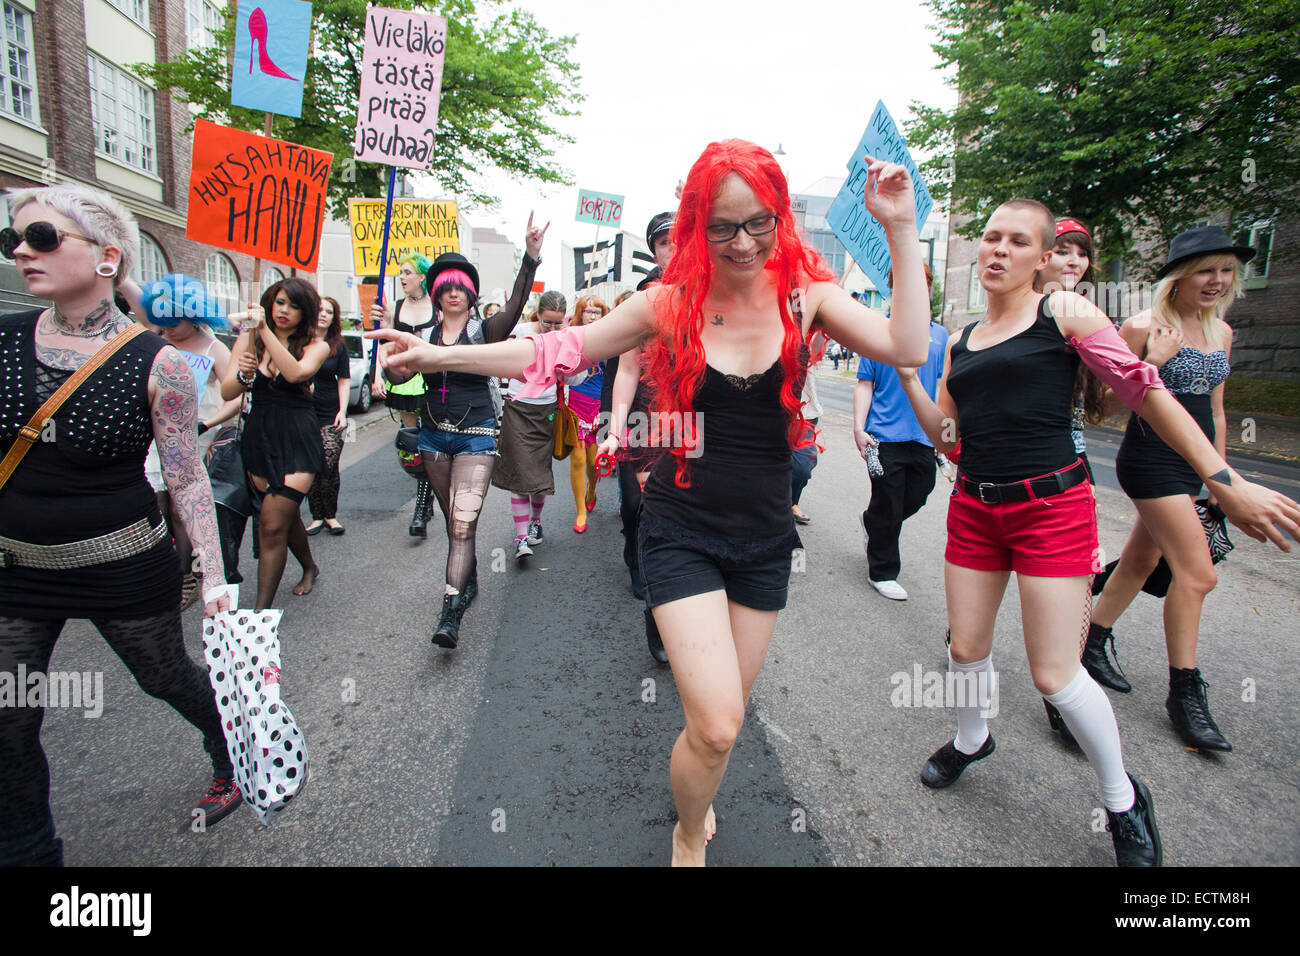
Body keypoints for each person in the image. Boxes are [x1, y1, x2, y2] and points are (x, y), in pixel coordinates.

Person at [371, 139, 934, 865]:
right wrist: (442, 356)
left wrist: (900, 226)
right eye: (722, 226)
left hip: (764, 541)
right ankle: (684, 836)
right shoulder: (670, 303)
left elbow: (908, 345)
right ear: (699, 228)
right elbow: (556, 351)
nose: (742, 242)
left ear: (780, 219)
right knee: (721, 725)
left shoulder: (807, 297)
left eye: (758, 222)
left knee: (716, 720)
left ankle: (699, 798)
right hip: (680, 531)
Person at [893, 199, 1299, 866]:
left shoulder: (1064, 314)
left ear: (1043, 257)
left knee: (1055, 675)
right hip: (975, 507)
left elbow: (1145, 391)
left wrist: (1224, 482)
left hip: (1052, 509)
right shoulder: (962, 340)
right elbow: (950, 439)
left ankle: (1122, 800)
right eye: (990, 237)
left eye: (1017, 241)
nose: (997, 250)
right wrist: (910, 375)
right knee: (966, 647)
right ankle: (971, 740)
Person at [0, 183, 242, 865]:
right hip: (17, 570)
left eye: (43, 237)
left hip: (122, 562)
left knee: (166, 677)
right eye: (13, 239)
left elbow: (187, 473)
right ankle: (29, 852)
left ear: (107, 257)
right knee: (8, 723)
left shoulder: (159, 363)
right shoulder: (4, 340)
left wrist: (215, 578)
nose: (22, 249)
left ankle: (226, 743)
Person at [1088, 226, 1257, 752]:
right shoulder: (1143, 325)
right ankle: (1184, 693)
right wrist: (1150, 363)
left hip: (1195, 466)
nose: (1217, 280)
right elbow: (1103, 405)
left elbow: (1218, 411)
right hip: (1151, 458)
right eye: (1206, 269)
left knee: (1139, 563)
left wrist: (1219, 477)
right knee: (1197, 575)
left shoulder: (1222, 332)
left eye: (1227, 270)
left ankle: (1089, 642)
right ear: (1179, 276)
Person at [377, 217, 546, 646]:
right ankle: (467, 582)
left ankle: (450, 611)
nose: (454, 291)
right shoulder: (421, 336)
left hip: (477, 436)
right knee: (455, 521)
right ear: (437, 293)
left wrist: (529, 256)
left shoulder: (485, 332)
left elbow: (515, 304)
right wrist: (390, 367)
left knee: (462, 526)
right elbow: (402, 383)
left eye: (461, 285)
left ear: (470, 294)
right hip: (433, 438)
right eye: (446, 285)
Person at [131, 274, 242, 608]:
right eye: (162, 322)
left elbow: (235, 397)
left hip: (198, 433)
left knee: (184, 508)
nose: (169, 329)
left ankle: (187, 578)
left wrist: (207, 423)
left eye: (174, 321)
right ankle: (161, 573)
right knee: (157, 505)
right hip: (155, 431)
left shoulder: (214, 347)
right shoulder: (155, 340)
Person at [221, 278, 330, 611]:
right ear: (270, 301)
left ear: (305, 312)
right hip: (260, 436)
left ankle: (259, 615)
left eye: (294, 306)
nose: (285, 311)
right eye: (280, 302)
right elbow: (226, 393)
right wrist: (243, 375)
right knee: (283, 515)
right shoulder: (248, 341)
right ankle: (310, 566)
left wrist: (264, 330)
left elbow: (296, 374)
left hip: (297, 438)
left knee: (270, 525)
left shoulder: (316, 345)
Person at [854, 263, 948, 601]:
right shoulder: (878, 331)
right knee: (890, 502)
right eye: (904, 282)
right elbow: (865, 384)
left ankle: (873, 523)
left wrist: (944, 436)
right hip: (882, 436)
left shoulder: (940, 335)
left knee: (918, 494)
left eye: (920, 282)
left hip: (923, 437)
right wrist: (858, 428)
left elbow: (943, 387)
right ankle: (882, 571)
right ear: (893, 288)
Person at [493, 291, 588, 560]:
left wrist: (569, 365)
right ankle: (521, 536)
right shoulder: (521, 332)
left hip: (548, 412)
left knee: (537, 476)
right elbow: (503, 364)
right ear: (538, 315)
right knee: (520, 476)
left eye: (559, 323)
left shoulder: (568, 337)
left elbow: (576, 381)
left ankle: (535, 521)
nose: (554, 329)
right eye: (549, 323)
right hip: (518, 408)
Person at [370, 255, 436, 537]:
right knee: (412, 444)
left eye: (407, 272)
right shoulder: (393, 308)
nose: (402, 277)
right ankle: (424, 500)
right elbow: (382, 344)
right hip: (405, 381)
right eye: (400, 272)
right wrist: (376, 376)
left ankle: (421, 507)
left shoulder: (438, 304)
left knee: (430, 441)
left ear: (422, 276)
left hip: (433, 380)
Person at [306, 295, 350, 536]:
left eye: (329, 311)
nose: (324, 314)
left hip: (331, 412)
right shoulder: (300, 342)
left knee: (329, 464)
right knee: (312, 465)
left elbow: (344, 380)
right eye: (320, 309)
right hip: (303, 411)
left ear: (334, 318)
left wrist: (343, 412)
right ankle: (316, 516)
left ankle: (331, 516)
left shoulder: (338, 346)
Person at [567, 295, 609, 532]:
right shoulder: (571, 337)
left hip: (599, 406)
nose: (592, 316)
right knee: (578, 460)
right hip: (575, 404)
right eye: (588, 311)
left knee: (595, 462)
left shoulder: (611, 339)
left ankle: (592, 490)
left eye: (597, 312)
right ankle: (580, 511)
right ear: (580, 314)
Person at [790, 335, 824, 525]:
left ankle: (792, 502)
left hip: (805, 412)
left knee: (802, 466)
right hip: (770, 411)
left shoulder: (806, 317)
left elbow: (817, 351)